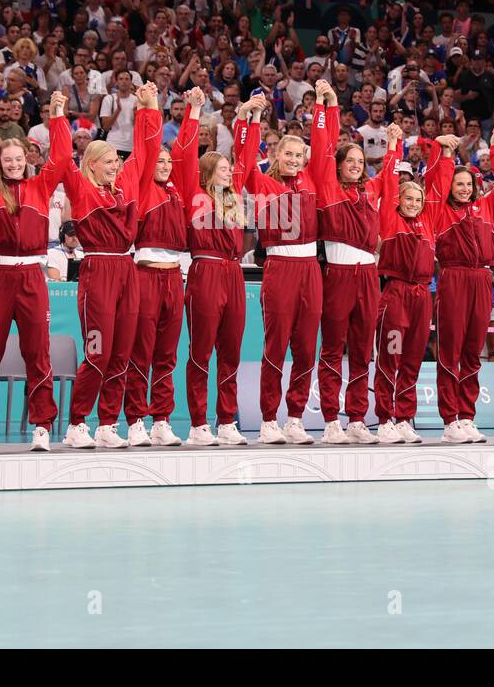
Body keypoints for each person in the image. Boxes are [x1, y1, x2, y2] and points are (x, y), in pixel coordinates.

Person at [50, 82, 161, 448]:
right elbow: (62, 161)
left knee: (123, 355)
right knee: (98, 352)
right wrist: (57, 119)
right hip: (98, 271)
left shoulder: (125, 185)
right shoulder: (81, 189)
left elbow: (145, 154)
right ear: (92, 165)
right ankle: (77, 423)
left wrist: (148, 108)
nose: (116, 165)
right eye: (109, 161)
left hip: (128, 270)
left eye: (117, 160)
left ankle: (108, 424)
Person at [0, 95, 70, 451]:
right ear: (0, 161)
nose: (12, 164)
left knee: (37, 352)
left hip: (31, 278)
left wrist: (57, 116)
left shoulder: (41, 186)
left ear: (28, 160)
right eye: (7, 160)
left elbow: (64, 157)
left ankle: (42, 425)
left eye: (18, 159)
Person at [234, 88, 329, 445]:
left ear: (304, 159)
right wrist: (251, 119)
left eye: (297, 155)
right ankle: (269, 419)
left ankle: (296, 417)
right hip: (279, 268)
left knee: (307, 348)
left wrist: (321, 105)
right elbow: (242, 160)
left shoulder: (313, 181)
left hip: (310, 269)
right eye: (286, 153)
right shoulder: (262, 183)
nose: (292, 158)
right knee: (276, 346)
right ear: (276, 154)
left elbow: (323, 143)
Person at [311, 79, 403, 444]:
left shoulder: (370, 190)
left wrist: (395, 145)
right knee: (334, 347)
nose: (355, 165)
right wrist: (326, 106)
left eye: (360, 162)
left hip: (368, 274)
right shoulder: (328, 188)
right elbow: (321, 146)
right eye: (349, 161)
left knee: (364, 350)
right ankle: (331, 419)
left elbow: (391, 182)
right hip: (338, 274)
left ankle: (356, 419)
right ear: (339, 165)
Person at [426, 123, 494, 443]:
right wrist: (446, 153)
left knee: (472, 352)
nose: (463, 188)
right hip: (453, 278)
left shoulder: (487, 206)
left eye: (468, 184)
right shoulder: (440, 210)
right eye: (458, 184)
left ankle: (467, 416)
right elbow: (434, 183)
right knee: (449, 351)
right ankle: (449, 418)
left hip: (482, 281)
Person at [172, 89, 251, 445]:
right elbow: (186, 155)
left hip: (234, 274)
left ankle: (227, 421)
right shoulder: (194, 194)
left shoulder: (233, 200)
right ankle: (199, 423)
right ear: (208, 172)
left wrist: (249, 118)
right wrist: (194, 111)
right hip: (205, 272)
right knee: (201, 350)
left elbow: (246, 158)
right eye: (222, 168)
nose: (229, 172)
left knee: (231, 350)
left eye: (229, 168)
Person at [122, 84, 193, 448]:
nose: (164, 165)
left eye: (169, 162)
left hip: (174, 280)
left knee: (166, 354)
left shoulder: (178, 193)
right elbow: (145, 150)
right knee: (141, 351)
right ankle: (135, 418)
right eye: (160, 162)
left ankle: (162, 418)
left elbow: (186, 157)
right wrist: (148, 110)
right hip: (145, 275)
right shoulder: (141, 187)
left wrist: (193, 115)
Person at [372, 160, 439, 443]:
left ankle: (404, 418)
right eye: (408, 199)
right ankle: (385, 417)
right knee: (391, 357)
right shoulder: (390, 219)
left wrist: (444, 155)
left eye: (418, 199)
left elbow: (440, 184)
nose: (413, 204)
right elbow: (388, 186)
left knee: (412, 359)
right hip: (396, 296)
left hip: (422, 298)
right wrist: (392, 151)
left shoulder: (429, 222)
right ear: (398, 200)